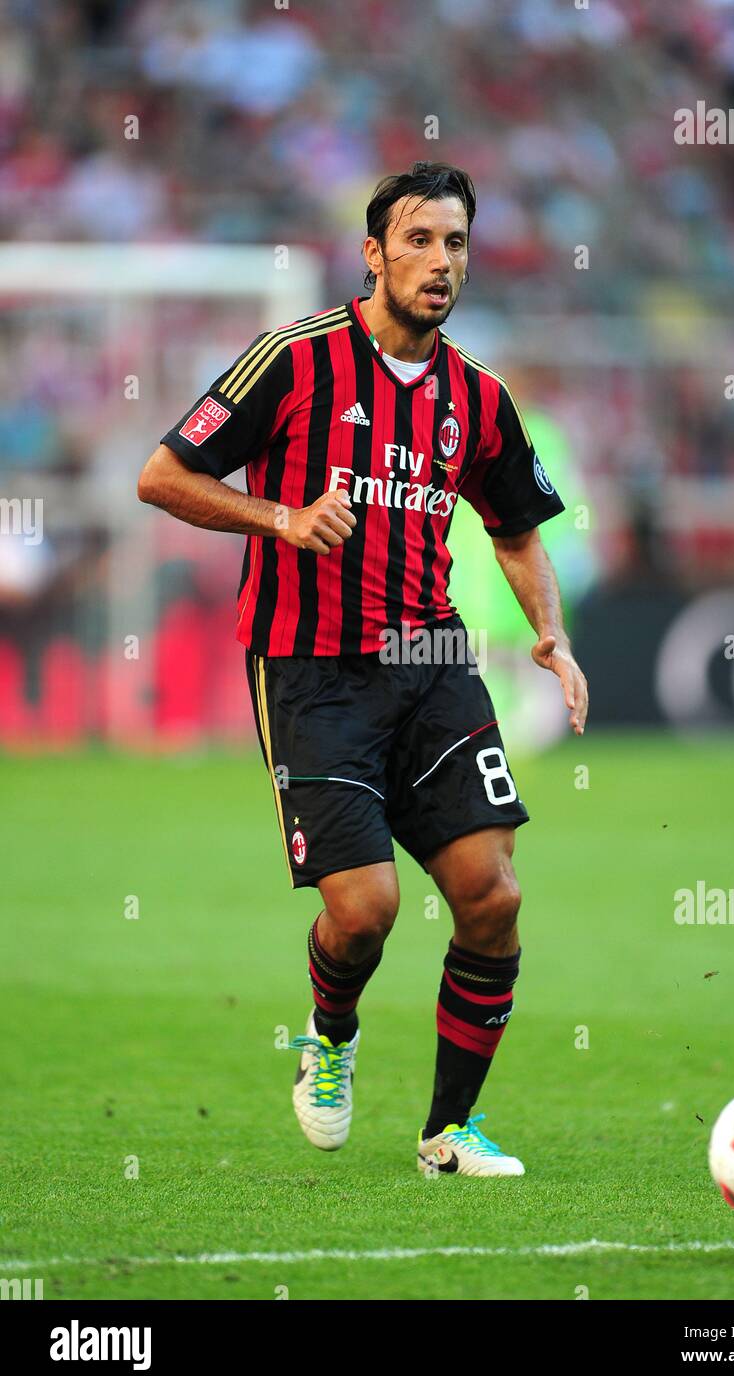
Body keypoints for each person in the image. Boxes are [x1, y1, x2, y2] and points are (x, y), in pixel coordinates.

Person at [138, 161, 589, 1176]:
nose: (439, 262)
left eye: (456, 244)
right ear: (373, 252)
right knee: (364, 910)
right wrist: (279, 519)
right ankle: (330, 1038)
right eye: (419, 240)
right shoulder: (294, 360)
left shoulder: (477, 396)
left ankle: (447, 1131)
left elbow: (516, 532)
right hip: (310, 673)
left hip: (430, 661)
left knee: (493, 893)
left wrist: (549, 636)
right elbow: (163, 474)